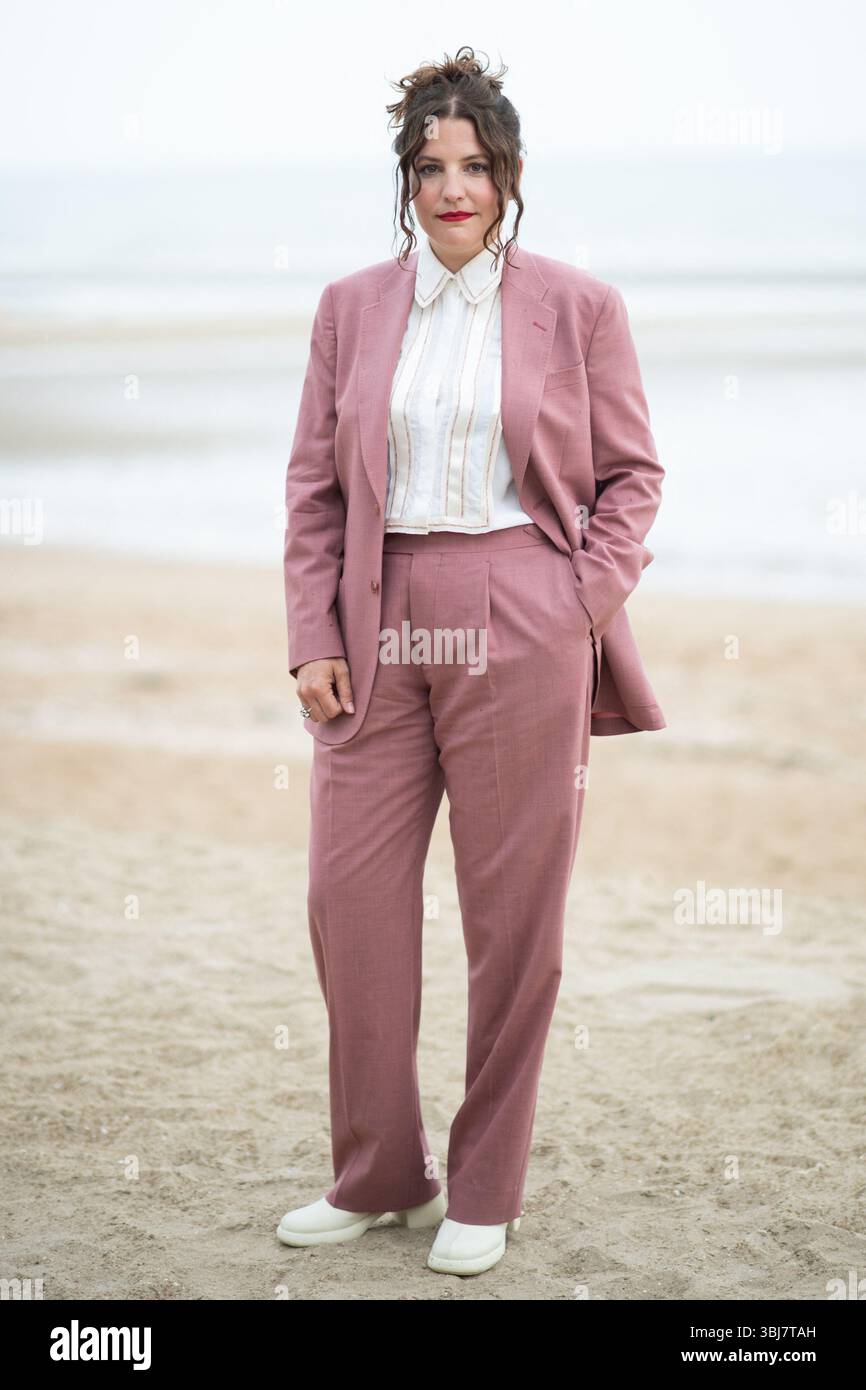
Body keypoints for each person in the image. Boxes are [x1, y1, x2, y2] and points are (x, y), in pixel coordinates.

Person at [277, 46, 665, 1278]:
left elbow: (629, 478)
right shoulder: (350, 306)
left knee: (513, 922)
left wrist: (573, 601)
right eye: (430, 165)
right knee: (350, 906)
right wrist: (309, 637)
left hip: (519, 612)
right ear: (405, 178)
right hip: (374, 620)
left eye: (475, 164)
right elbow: (312, 488)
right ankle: (379, 1173)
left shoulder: (575, 307)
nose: (454, 187)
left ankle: (483, 1186)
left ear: (506, 175)